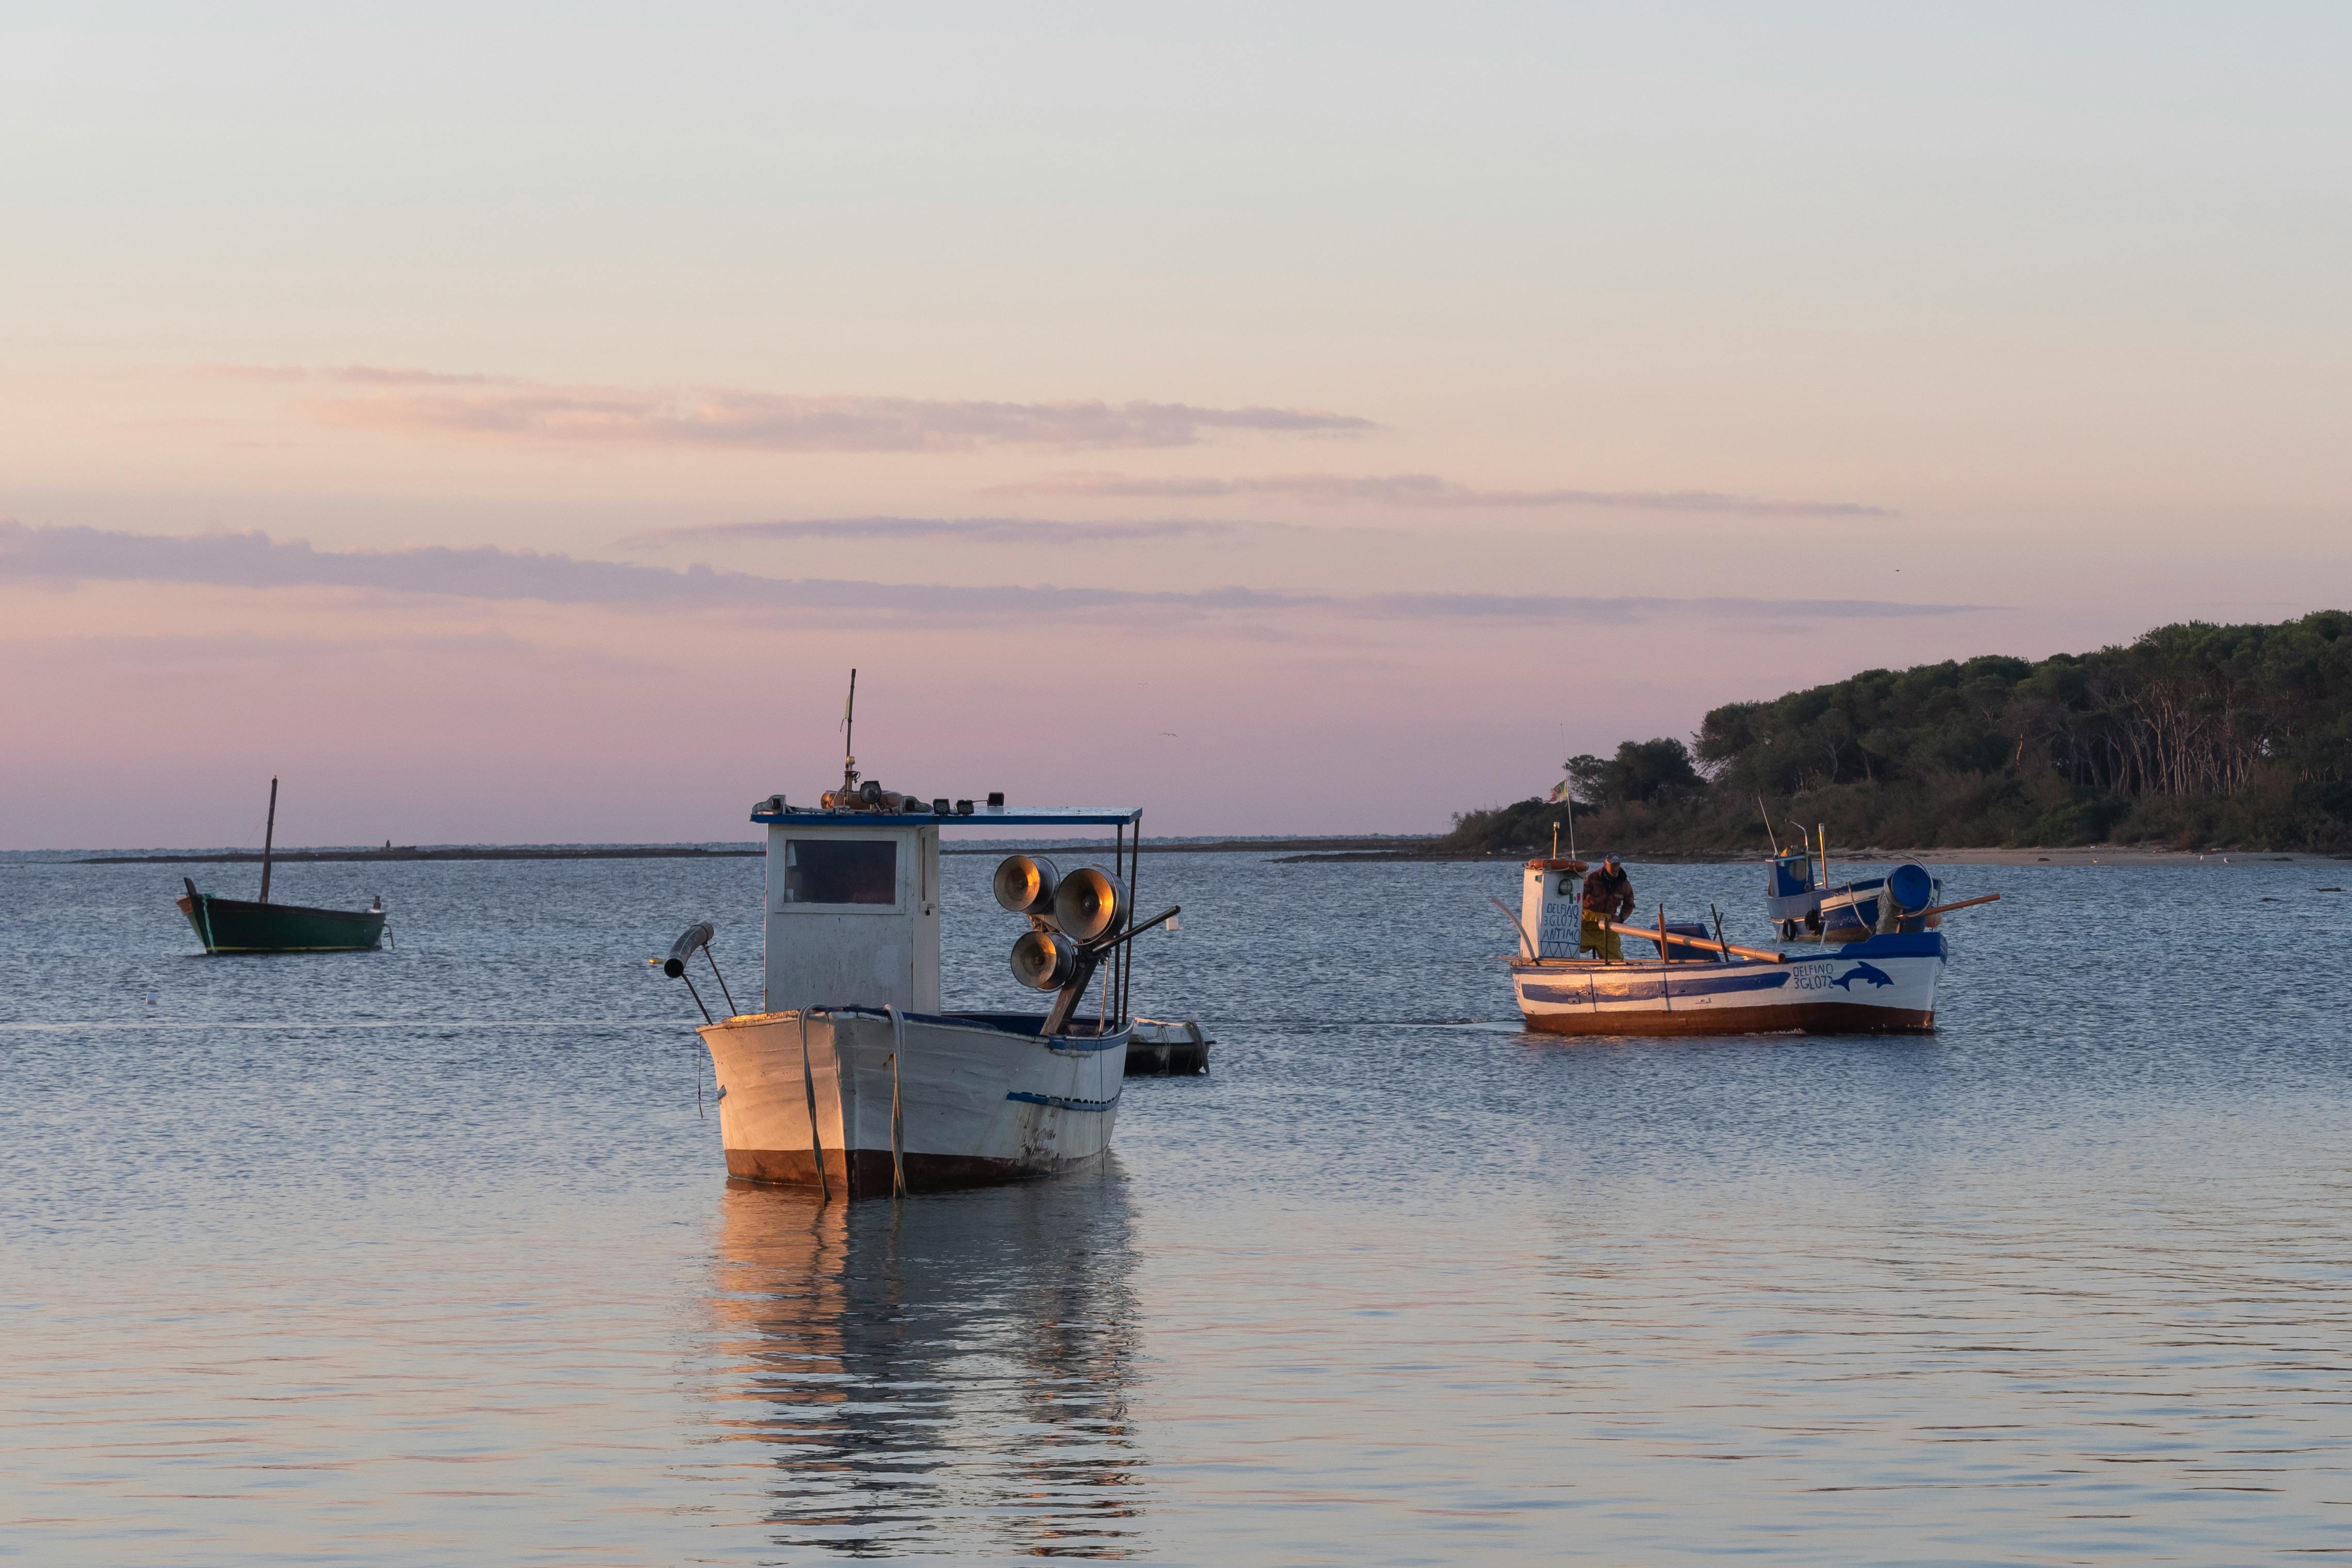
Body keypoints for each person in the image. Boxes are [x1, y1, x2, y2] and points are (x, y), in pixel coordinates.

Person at [1580, 852, 1635, 961]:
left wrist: (1621, 918)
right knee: (1566, 948)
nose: (1616, 868)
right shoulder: (1591, 879)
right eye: (1613, 865)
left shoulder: (1624, 884)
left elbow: (1630, 904)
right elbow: (1576, 898)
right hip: (1586, 926)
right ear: (1606, 864)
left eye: (1618, 865)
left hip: (1608, 927)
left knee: (1616, 961)